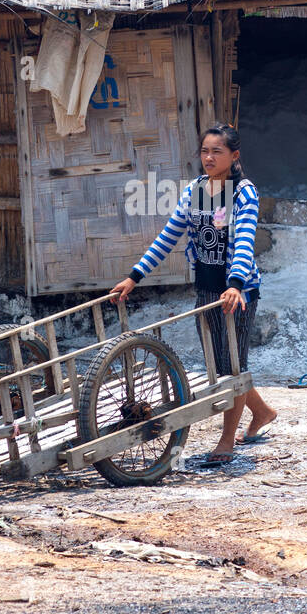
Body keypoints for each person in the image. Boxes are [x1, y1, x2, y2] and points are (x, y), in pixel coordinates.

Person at [112, 123, 277, 464]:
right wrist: (134, 276)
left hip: (238, 292)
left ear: (234, 156)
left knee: (233, 366)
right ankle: (261, 412)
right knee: (219, 364)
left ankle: (226, 440)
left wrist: (234, 285)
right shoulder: (197, 190)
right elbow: (168, 236)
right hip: (206, 288)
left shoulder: (243, 191)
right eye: (204, 151)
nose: (209, 157)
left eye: (217, 151)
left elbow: (244, 241)